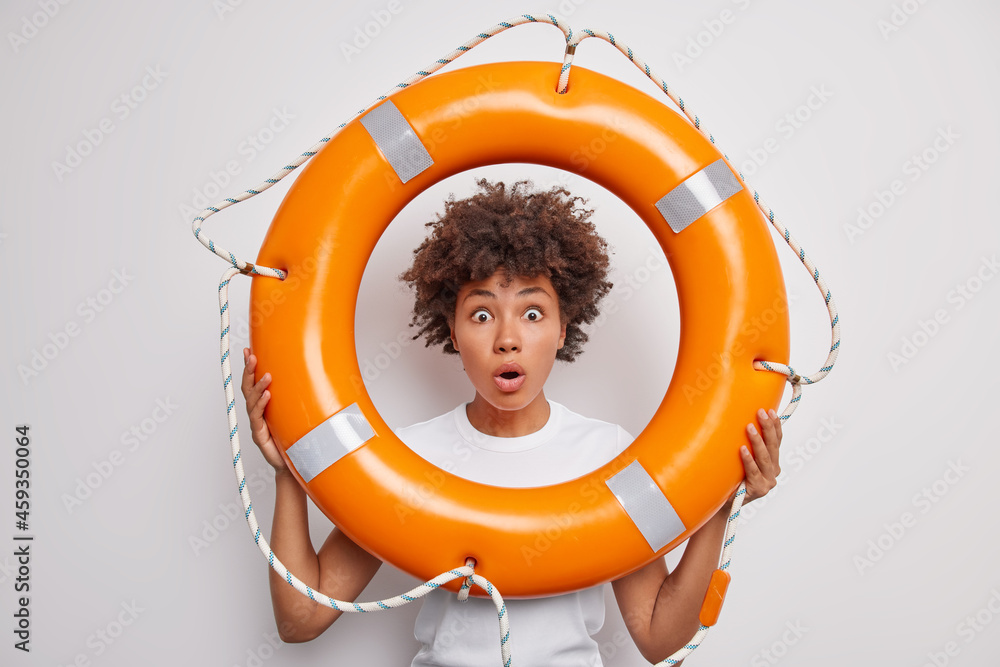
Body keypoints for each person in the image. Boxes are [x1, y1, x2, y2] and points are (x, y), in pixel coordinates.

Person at [240, 179, 783, 666]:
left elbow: (661, 640)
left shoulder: (610, 455)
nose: (507, 337)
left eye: (532, 312)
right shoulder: (406, 459)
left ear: (563, 327)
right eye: (481, 314)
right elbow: (299, 620)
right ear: (450, 331)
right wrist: (290, 471)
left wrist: (719, 497)